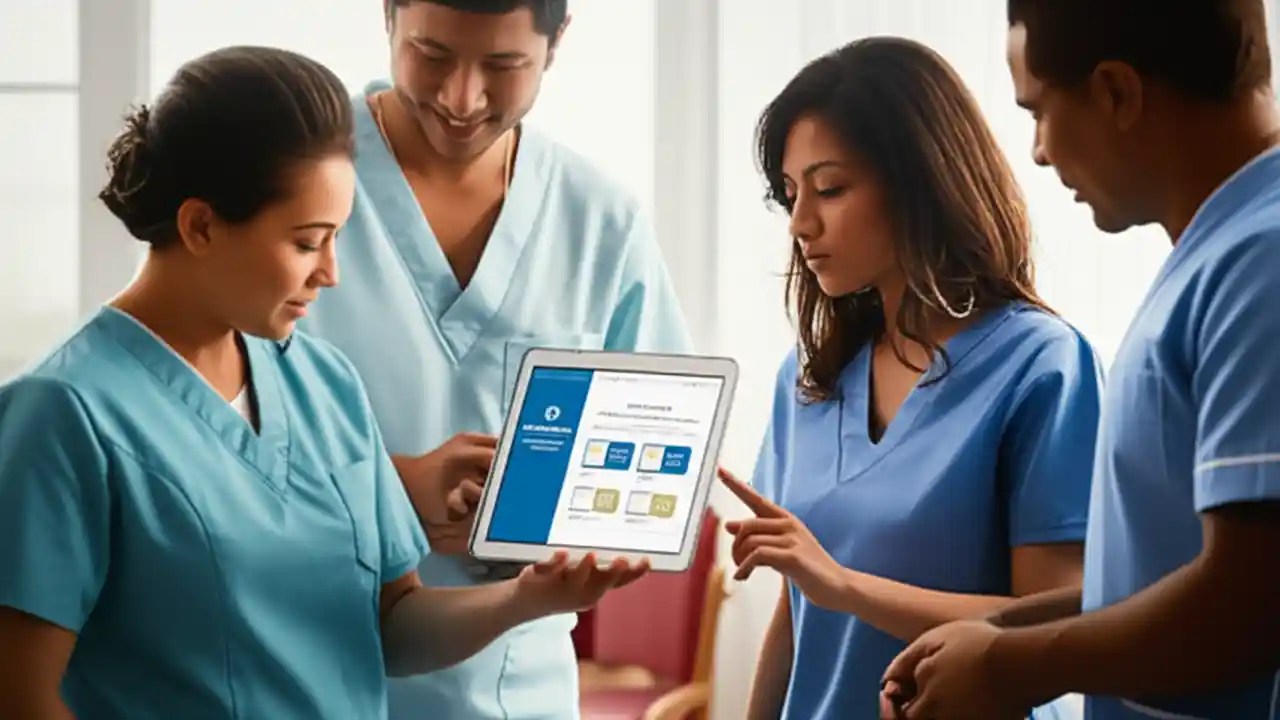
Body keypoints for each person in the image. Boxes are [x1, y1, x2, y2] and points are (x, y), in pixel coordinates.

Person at [0, 45, 647, 720]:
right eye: (308, 242)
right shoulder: (63, 415)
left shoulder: (324, 382)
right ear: (200, 226)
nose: (330, 272)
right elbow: (19, 697)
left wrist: (529, 598)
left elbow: (394, 624)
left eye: (338, 237)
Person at [880, 1, 1280, 718]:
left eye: (1039, 112)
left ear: (1117, 93)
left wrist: (1010, 665)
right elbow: (1172, 570)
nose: (1038, 150)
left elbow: (1250, 602)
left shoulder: (1264, 260)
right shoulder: (1221, 252)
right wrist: (1000, 628)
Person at [297, 2, 692, 718]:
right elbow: (195, 446)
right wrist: (394, 491)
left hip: (513, 691)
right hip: (302, 672)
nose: (461, 98)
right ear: (388, 17)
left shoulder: (598, 220)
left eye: (504, 66)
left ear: (555, 44)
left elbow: (659, 474)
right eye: (433, 54)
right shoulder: (288, 185)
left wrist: (541, 527)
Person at [720, 36, 1103, 720]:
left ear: (922, 179)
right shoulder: (808, 381)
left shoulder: (1042, 366)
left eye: (830, 188)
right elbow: (796, 614)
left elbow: (1054, 627)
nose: (802, 224)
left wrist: (845, 586)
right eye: (789, 194)